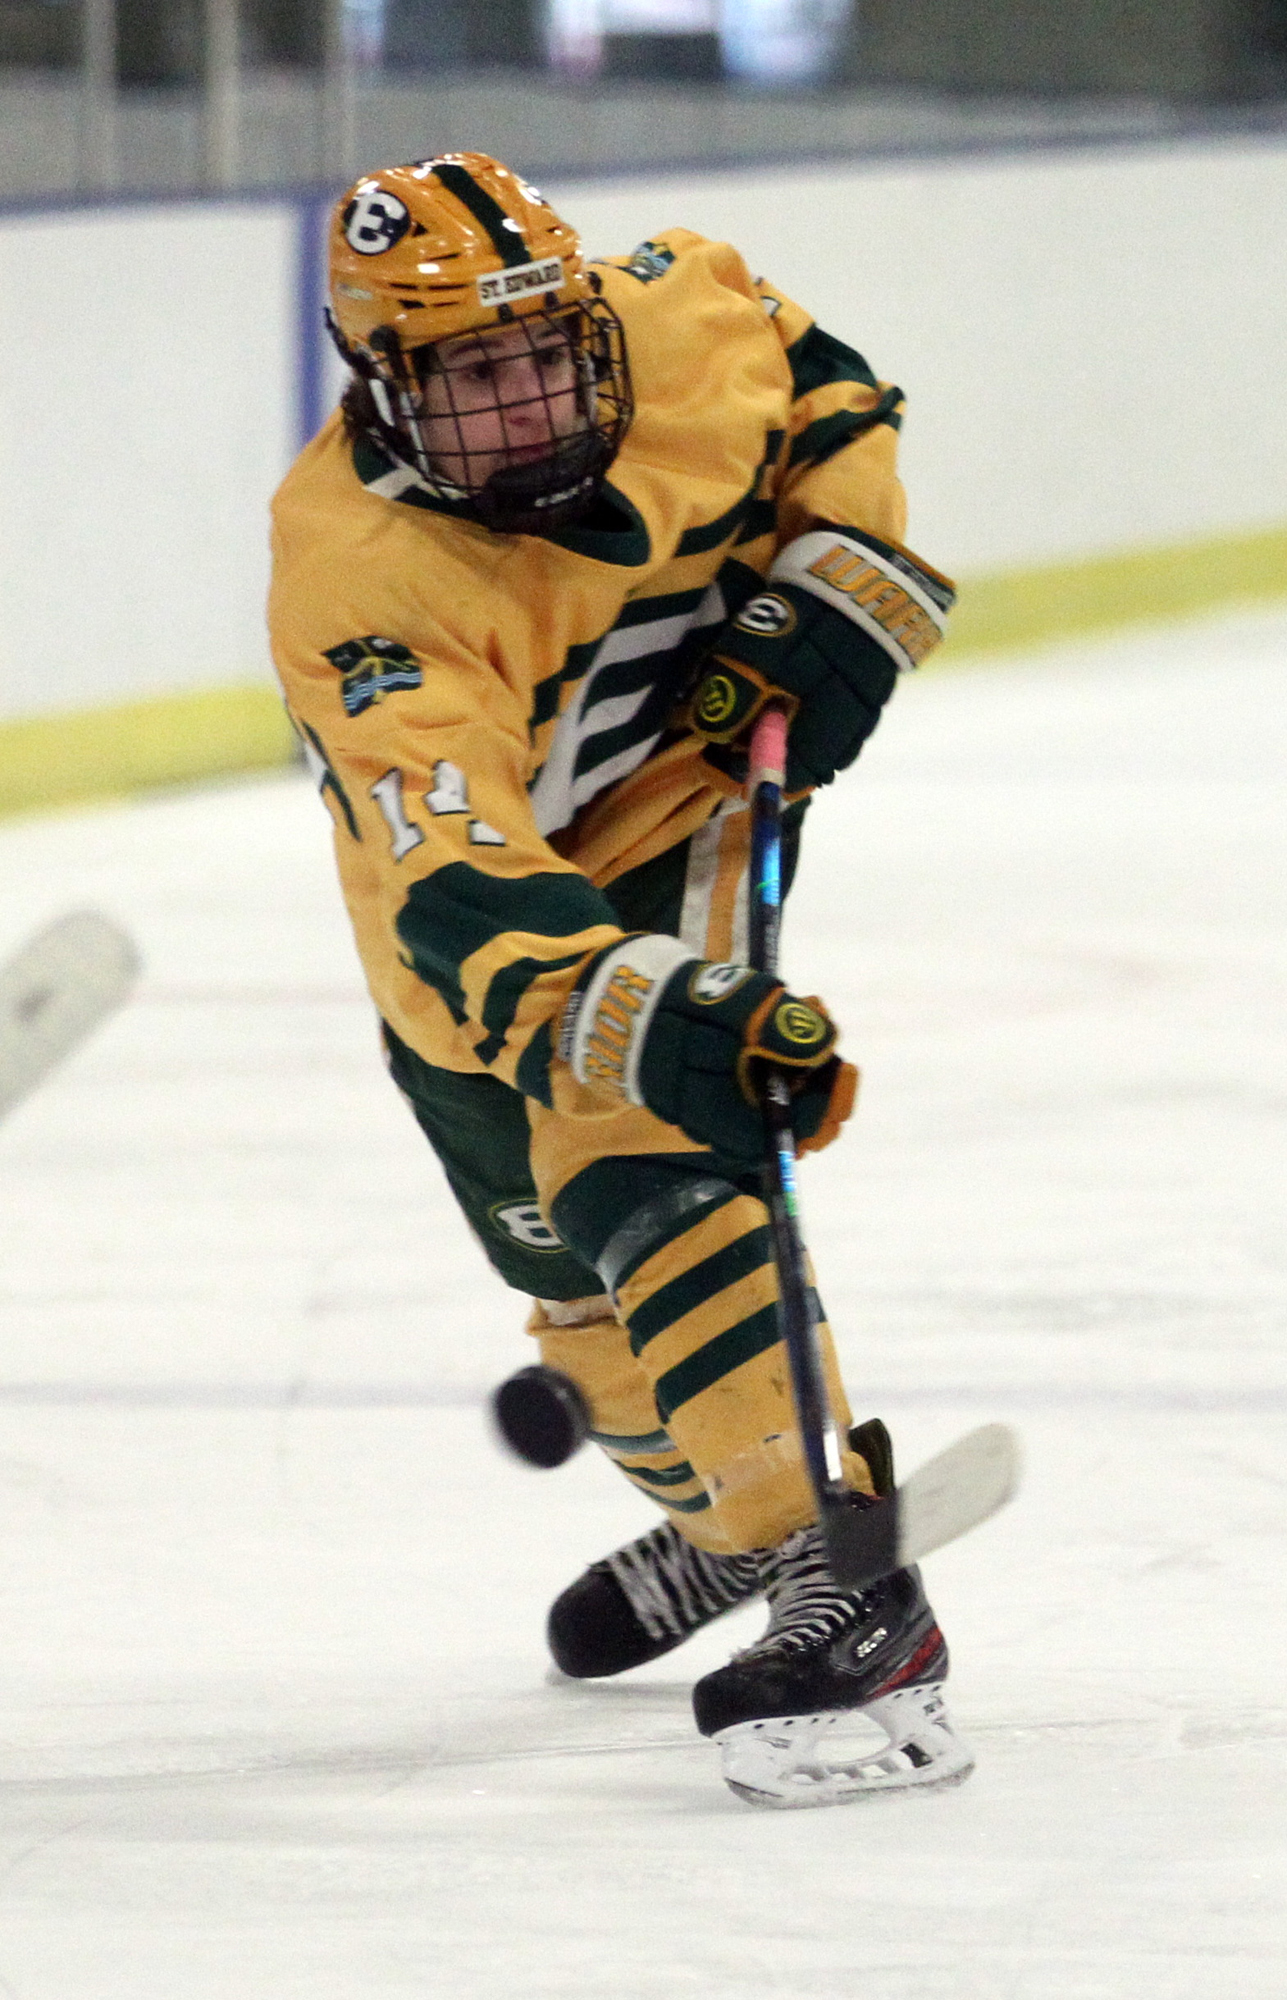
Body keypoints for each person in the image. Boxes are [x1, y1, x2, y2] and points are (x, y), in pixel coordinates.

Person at [268, 152, 967, 1808]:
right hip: (472, 953)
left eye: (541, 353)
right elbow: (454, 877)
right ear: (385, 384)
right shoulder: (356, 578)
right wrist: (672, 1020)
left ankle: (846, 1586)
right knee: (585, 1309)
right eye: (474, 376)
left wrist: (838, 598)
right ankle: (723, 1521)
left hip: (683, 813)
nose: (527, 402)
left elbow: (833, 399)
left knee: (650, 1177)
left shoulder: (674, 314)